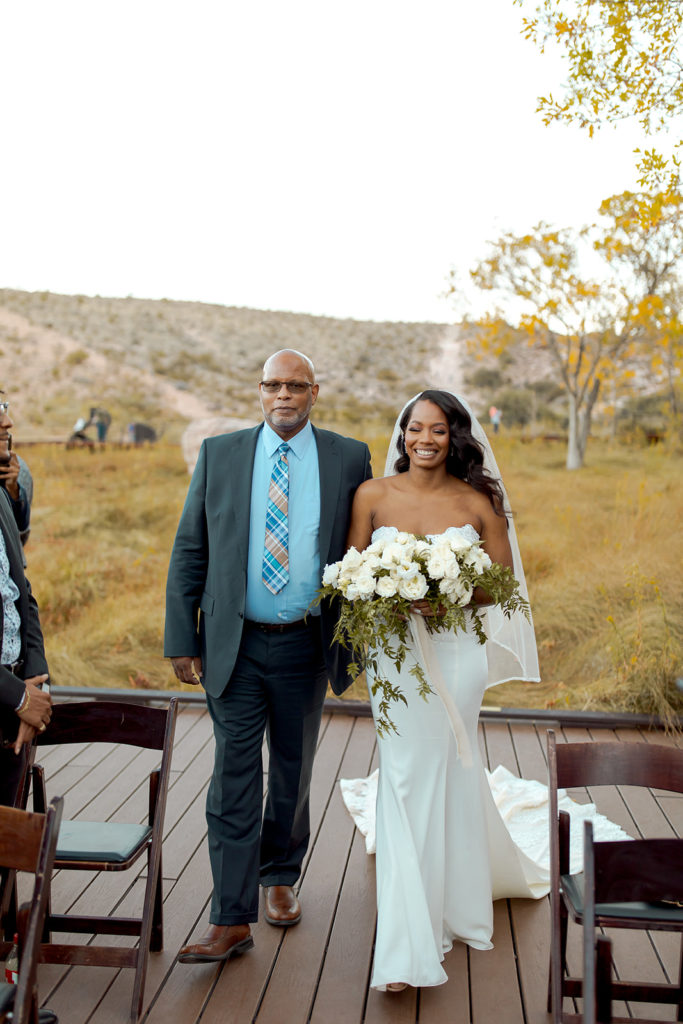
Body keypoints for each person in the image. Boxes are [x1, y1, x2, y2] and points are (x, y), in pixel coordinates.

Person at [165, 349, 372, 965]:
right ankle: (230, 918)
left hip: (307, 642)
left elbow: (366, 543)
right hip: (233, 642)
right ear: (260, 391)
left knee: (291, 767)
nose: (283, 395)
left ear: (315, 392)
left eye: (295, 386)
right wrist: (182, 636)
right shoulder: (221, 453)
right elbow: (191, 546)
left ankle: (279, 874)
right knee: (233, 773)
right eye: (272, 385)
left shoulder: (348, 456)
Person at [343, 390, 543, 992]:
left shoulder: (479, 502)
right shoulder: (371, 495)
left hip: (457, 656)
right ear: (402, 434)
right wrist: (383, 590)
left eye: (436, 430)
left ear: (455, 436)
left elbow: (502, 585)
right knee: (405, 778)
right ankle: (409, 939)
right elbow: (350, 571)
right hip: (394, 659)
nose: (423, 440)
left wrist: (450, 593)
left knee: (450, 770)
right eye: (414, 428)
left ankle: (452, 903)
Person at [0, 394, 52, 807]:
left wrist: (36, 681)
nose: (8, 424)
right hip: (10, 695)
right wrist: (18, 697)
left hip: (15, 701)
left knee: (10, 834)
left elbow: (20, 590)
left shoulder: (2, 493)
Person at [0, 394, 32, 545]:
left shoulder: (18, 471)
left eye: (3, 408)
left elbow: (20, 540)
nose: (8, 422)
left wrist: (12, 492)